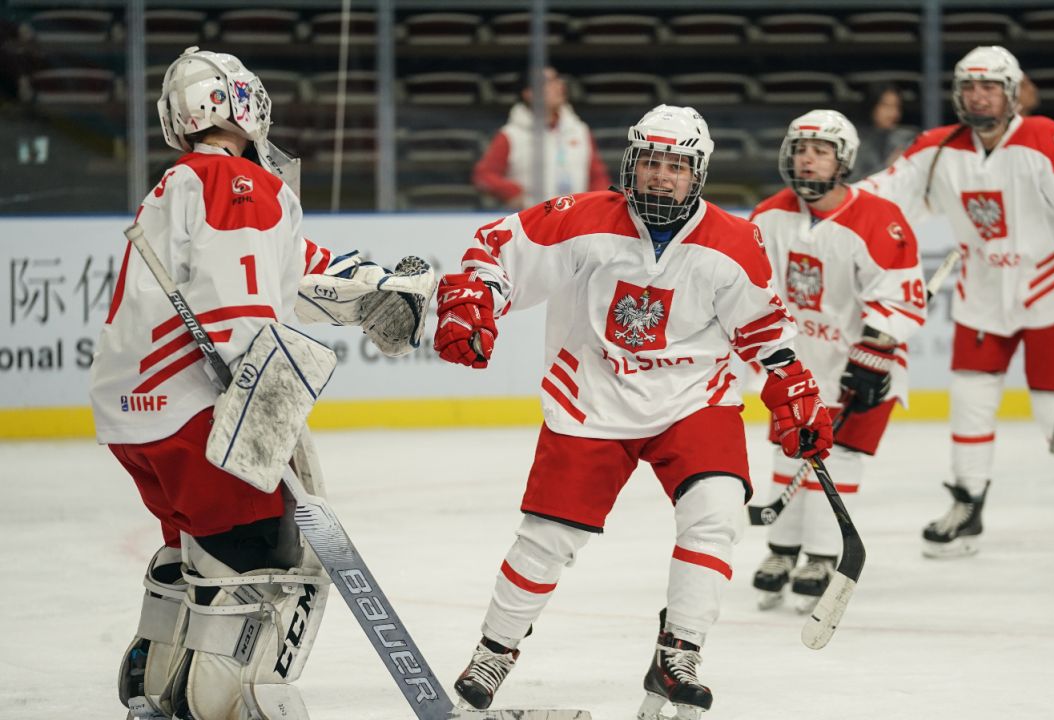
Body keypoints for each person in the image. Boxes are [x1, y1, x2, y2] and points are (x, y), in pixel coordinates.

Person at [434, 104, 834, 719]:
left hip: (693, 399)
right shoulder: (581, 218)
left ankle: (679, 653)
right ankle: (494, 652)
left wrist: (792, 385)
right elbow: (495, 251)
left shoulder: (734, 240)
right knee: (548, 538)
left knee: (716, 513)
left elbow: (762, 330)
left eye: (676, 166)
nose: (660, 175)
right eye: (650, 161)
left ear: (697, 173)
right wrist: (477, 296)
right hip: (590, 397)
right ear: (632, 162)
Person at [92, 47, 433, 720]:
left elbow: (286, 270)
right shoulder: (238, 184)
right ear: (236, 103)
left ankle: (155, 679)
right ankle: (216, 701)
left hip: (138, 414)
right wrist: (265, 413)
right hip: (197, 409)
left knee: (197, 551)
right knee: (261, 559)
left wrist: (375, 288)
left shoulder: (187, 183)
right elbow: (240, 311)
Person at [859, 46, 1054, 558]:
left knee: (1052, 406)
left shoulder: (1046, 138)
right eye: (969, 87)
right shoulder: (938, 148)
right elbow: (879, 197)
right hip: (982, 293)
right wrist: (833, 203)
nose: (978, 96)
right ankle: (968, 504)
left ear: (1011, 94)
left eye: (989, 87)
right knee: (969, 398)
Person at [748, 109, 925, 610]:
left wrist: (874, 353)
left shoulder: (880, 219)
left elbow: (902, 299)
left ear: (843, 160)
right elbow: (748, 288)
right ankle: (782, 550)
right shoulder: (768, 216)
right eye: (800, 149)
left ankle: (823, 556)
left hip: (865, 364)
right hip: (800, 362)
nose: (807, 159)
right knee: (789, 450)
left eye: (821, 151)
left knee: (841, 455)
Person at [472, 65, 611, 209]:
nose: (559, 85)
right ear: (529, 93)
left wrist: (598, 205)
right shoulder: (511, 135)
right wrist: (513, 193)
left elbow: (597, 177)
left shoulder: (580, 131)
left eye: (557, 79)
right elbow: (484, 175)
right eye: (549, 82)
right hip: (531, 216)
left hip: (574, 216)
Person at [850, 83, 918, 181]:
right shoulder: (855, 139)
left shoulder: (908, 137)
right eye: (886, 106)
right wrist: (888, 167)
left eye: (897, 106)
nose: (894, 113)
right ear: (872, 106)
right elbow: (852, 182)